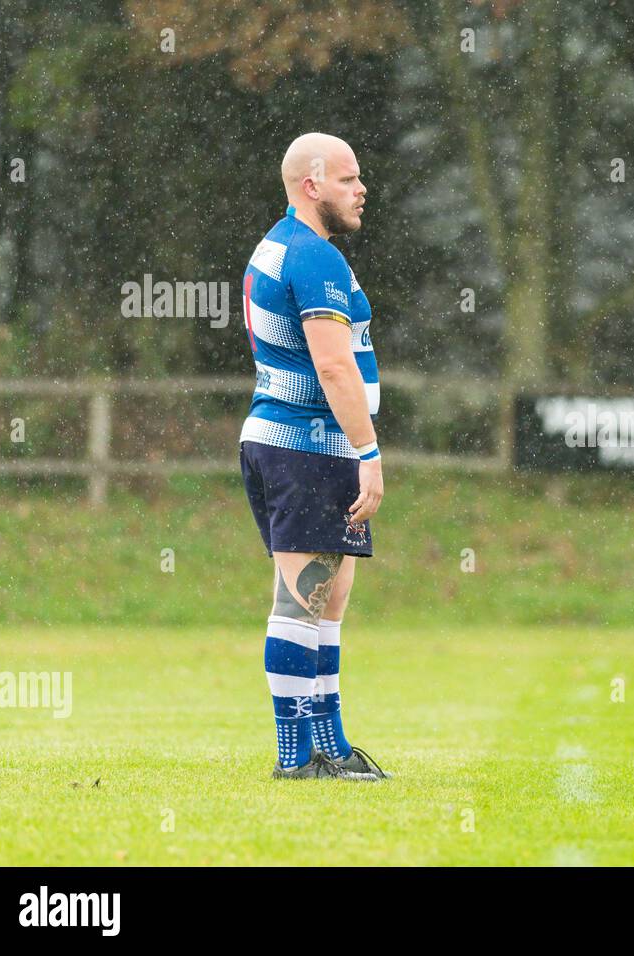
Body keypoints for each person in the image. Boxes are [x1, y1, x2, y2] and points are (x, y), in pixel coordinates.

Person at [238, 132, 388, 780]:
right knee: (300, 599)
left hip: (297, 444)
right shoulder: (313, 256)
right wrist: (369, 451)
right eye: (349, 179)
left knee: (328, 596)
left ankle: (330, 745)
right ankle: (295, 757)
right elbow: (332, 365)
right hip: (303, 445)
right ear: (312, 184)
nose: (361, 190)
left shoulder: (284, 246)